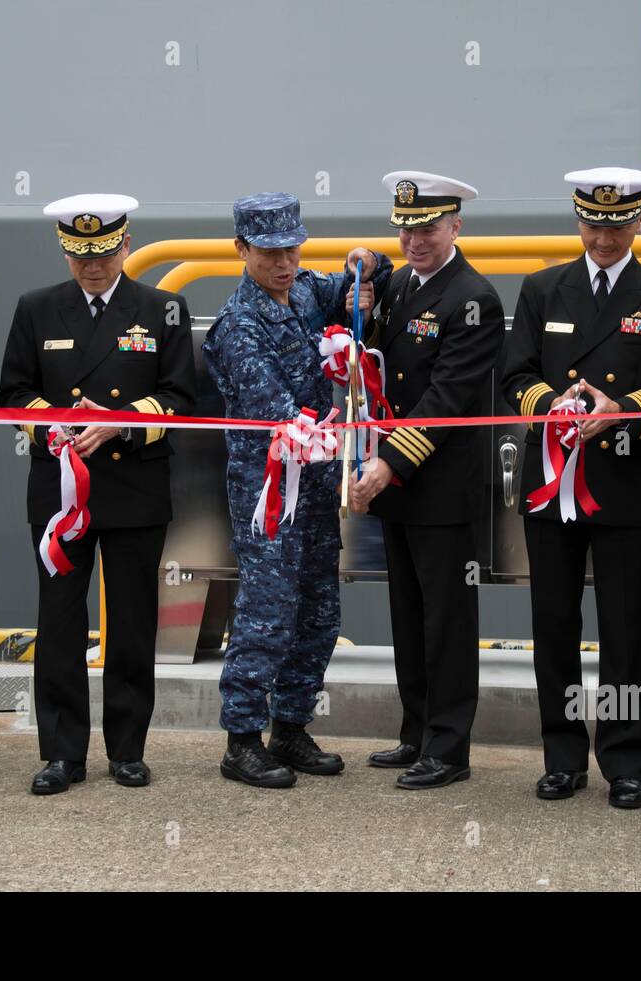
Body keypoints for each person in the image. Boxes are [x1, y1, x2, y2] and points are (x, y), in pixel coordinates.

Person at [500, 167, 641, 809]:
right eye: (591, 223)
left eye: (615, 224)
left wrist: (622, 410)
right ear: (577, 220)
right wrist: (554, 405)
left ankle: (628, 759)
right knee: (553, 621)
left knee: (628, 628)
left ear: (638, 221)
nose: (602, 237)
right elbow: (516, 372)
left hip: (623, 481)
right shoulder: (542, 289)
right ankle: (561, 755)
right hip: (552, 481)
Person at [0, 194, 196, 793]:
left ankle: (127, 748)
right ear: (65, 252)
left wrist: (119, 421)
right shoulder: (36, 310)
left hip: (134, 485)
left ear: (126, 246)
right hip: (61, 490)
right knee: (58, 620)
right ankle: (61, 753)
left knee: (133, 621)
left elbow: (182, 399)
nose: (93, 267)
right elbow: (13, 394)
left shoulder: (162, 308)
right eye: (81, 256)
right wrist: (56, 426)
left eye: (104, 254)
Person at [203, 192, 391, 788]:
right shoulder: (239, 325)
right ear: (242, 250)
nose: (283, 263)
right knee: (268, 612)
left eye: (291, 249)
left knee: (319, 608)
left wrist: (367, 260)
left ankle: (290, 727)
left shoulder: (306, 289)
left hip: (311, 487)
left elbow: (361, 279)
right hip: (268, 491)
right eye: (269, 252)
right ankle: (241, 739)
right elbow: (278, 413)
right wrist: (352, 439)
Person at [348, 171, 504, 790]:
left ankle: (449, 746)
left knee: (447, 619)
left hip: (438, 485)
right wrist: (364, 261)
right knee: (407, 615)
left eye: (429, 228)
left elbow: (446, 397)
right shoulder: (397, 285)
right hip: (399, 488)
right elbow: (371, 271)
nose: (416, 239)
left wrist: (386, 462)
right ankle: (415, 732)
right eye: (407, 227)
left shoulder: (474, 298)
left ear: (456, 226)